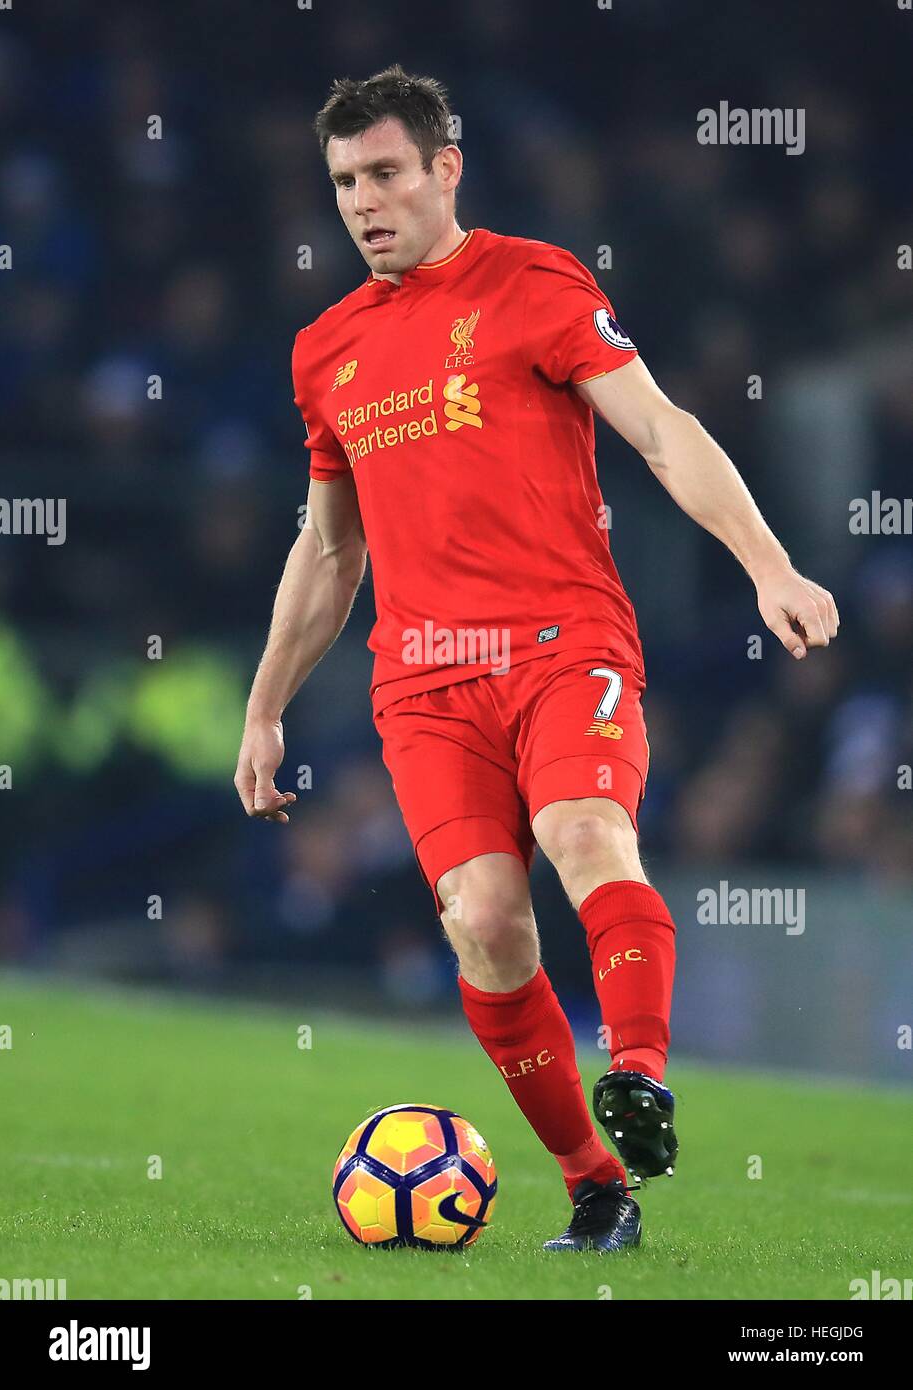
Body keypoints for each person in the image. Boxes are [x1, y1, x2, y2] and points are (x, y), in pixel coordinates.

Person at [234, 64, 839, 1252]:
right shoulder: (326, 352)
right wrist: (264, 707)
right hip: (422, 681)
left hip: (563, 640)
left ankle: (642, 1072)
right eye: (346, 181)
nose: (365, 201)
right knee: (488, 923)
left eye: (387, 173)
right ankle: (594, 1185)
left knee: (582, 835)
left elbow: (661, 427)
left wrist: (768, 564)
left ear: (444, 169)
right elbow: (326, 552)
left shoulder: (532, 281)